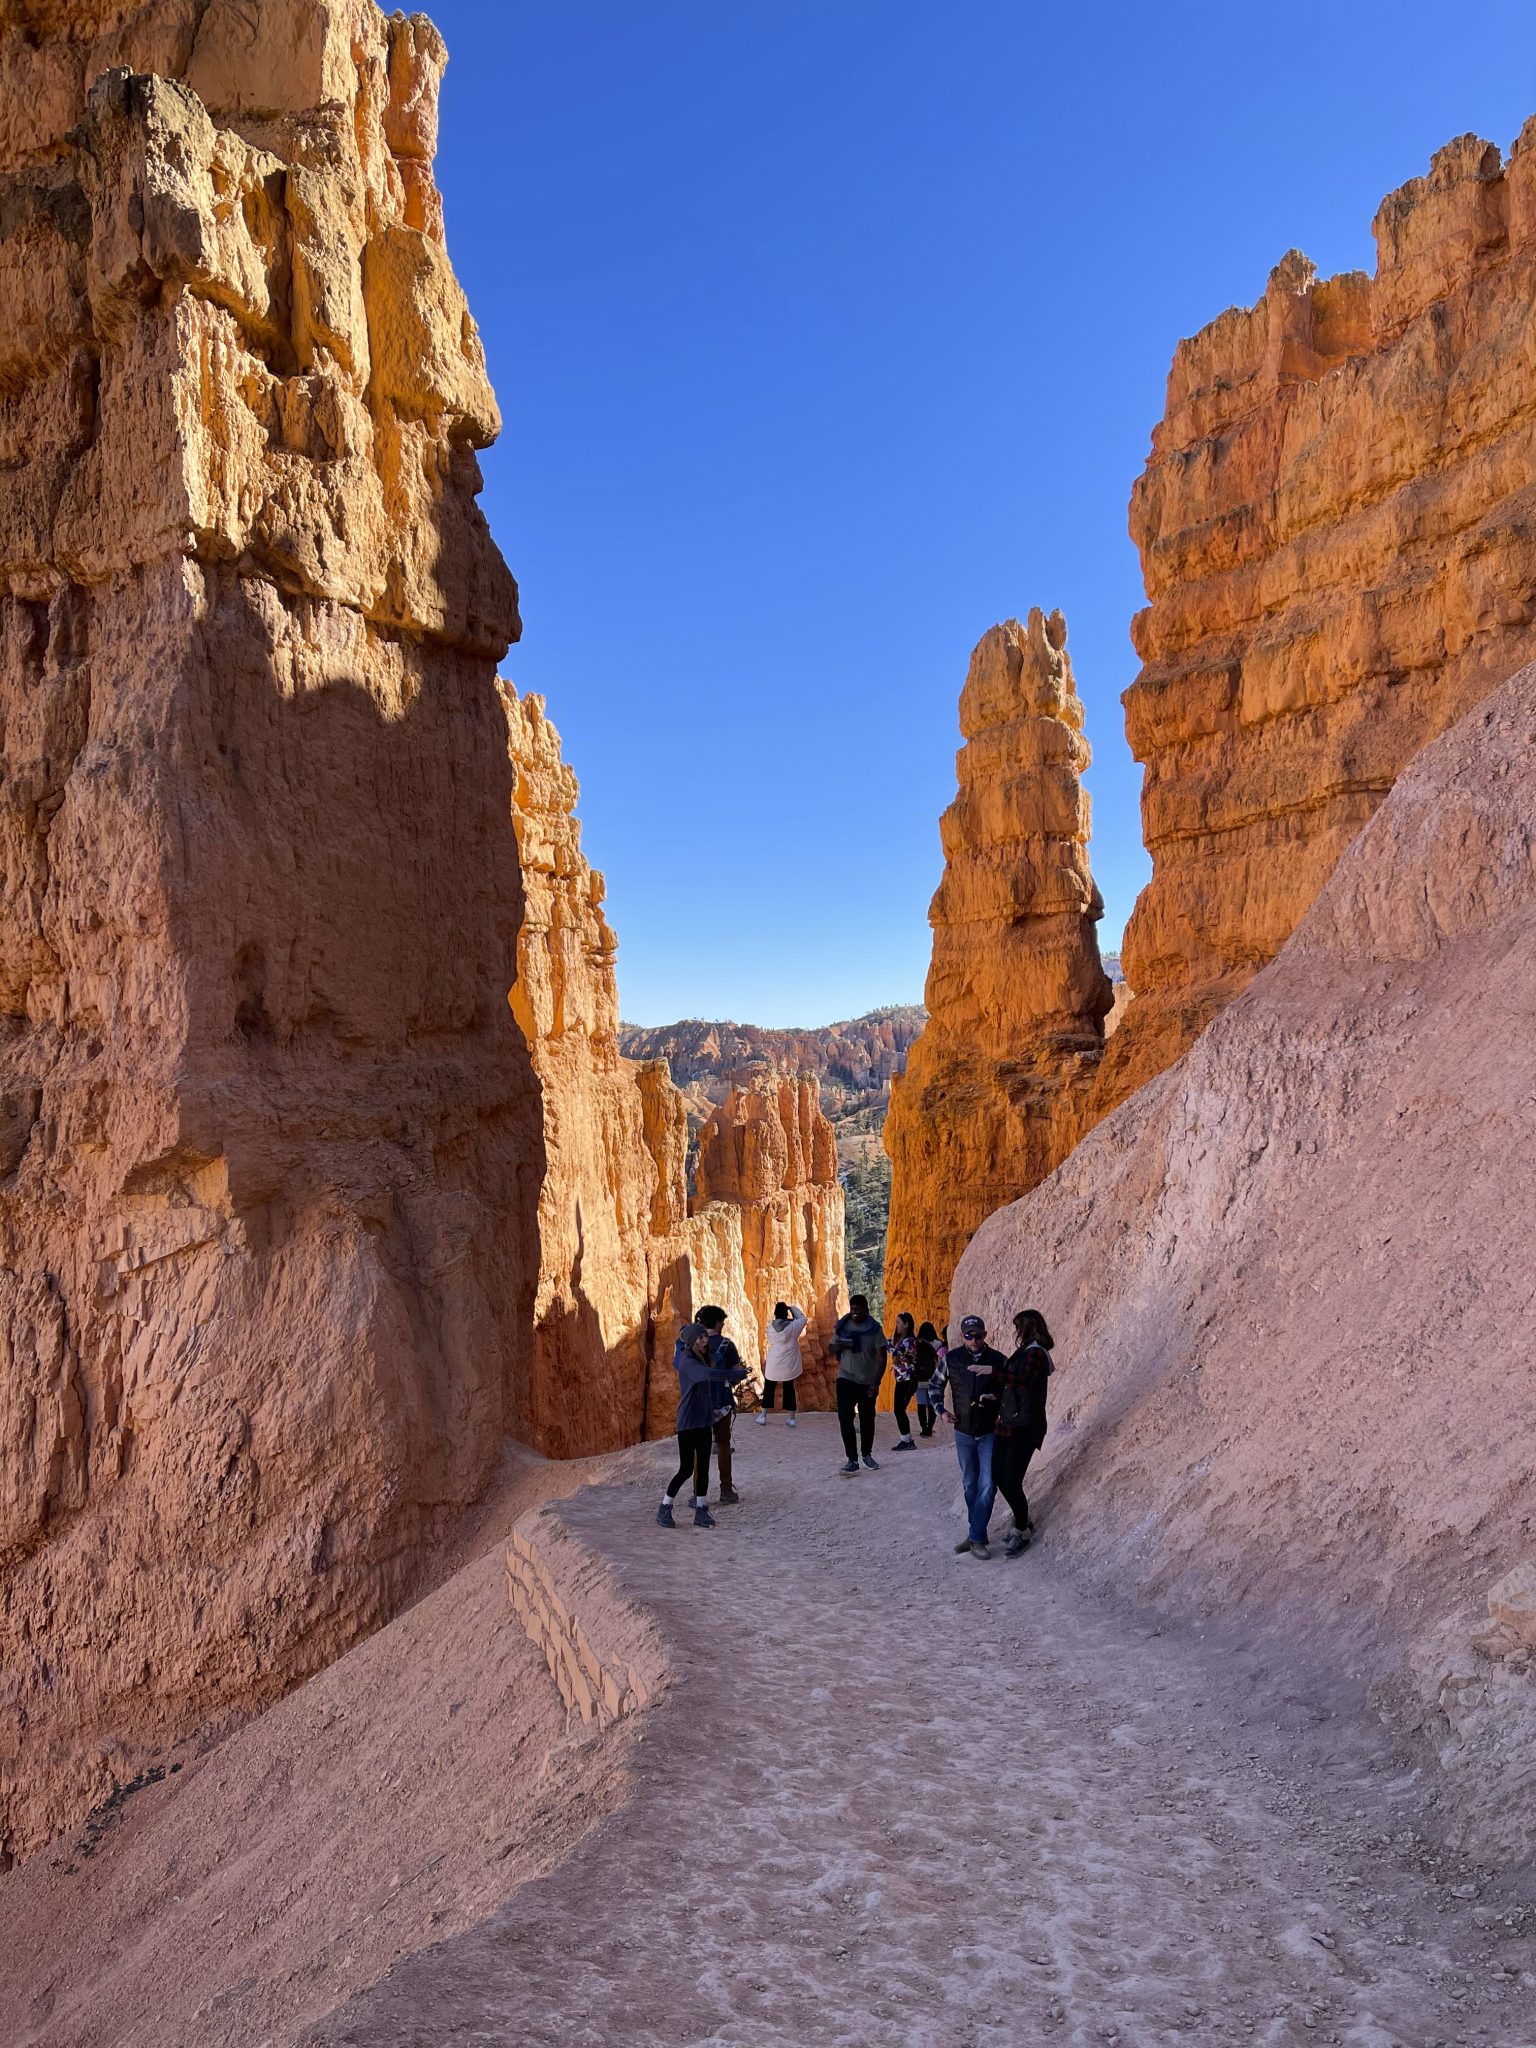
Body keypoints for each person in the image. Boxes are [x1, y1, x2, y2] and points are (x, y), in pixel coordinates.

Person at [929, 1313, 1007, 1557]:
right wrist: (941, 1411)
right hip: (963, 1431)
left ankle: (976, 1539)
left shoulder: (998, 1360)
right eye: (969, 1336)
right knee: (970, 1484)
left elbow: (1011, 1389)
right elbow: (935, 1385)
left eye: (978, 1335)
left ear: (985, 1335)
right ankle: (976, 1533)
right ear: (962, 1336)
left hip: (990, 1431)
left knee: (988, 1485)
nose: (974, 1340)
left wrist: (997, 1401)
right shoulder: (951, 1359)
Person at [658, 1318, 746, 1527]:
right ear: (691, 1342)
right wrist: (734, 1374)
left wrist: (733, 1364)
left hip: (704, 1421)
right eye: (700, 1338)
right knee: (686, 1469)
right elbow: (708, 1374)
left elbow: (715, 1361)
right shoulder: (687, 1361)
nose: (705, 1340)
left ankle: (701, 1509)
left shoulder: (702, 1358)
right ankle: (665, 1507)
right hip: (688, 1422)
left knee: (704, 1467)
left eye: (705, 1336)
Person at [994, 1308, 1055, 1556]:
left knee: (1011, 1479)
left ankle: (1022, 1529)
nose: (1017, 1332)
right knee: (998, 1475)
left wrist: (994, 1374)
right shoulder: (1025, 1351)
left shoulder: (1036, 1354)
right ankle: (1023, 1519)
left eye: (1019, 1326)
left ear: (1028, 1327)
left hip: (1026, 1425)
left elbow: (1024, 1381)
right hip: (1009, 1422)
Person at [828, 1294, 888, 1473]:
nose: (854, 1312)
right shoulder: (842, 1326)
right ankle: (852, 1460)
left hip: (868, 1381)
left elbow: (882, 1357)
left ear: (866, 1310)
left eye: (858, 1310)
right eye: (852, 1309)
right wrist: (838, 1346)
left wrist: (876, 1382)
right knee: (845, 1418)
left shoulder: (874, 1329)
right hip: (846, 1378)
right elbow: (831, 1348)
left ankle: (867, 1455)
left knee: (867, 1419)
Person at [694, 1303, 745, 1505]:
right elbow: (737, 1371)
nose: (723, 1325)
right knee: (723, 1444)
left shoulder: (693, 1345)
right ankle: (726, 1490)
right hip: (721, 1401)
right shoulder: (726, 1345)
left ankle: (698, 1494)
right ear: (717, 1323)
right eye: (722, 1322)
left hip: (699, 1402)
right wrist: (730, 1380)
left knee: (700, 1448)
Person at [757, 1300, 806, 1427]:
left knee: (769, 1388)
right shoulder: (793, 1326)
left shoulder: (770, 1327)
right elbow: (802, 1318)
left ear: (775, 1313)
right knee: (789, 1388)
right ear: (786, 1313)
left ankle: (763, 1416)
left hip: (773, 1362)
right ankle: (791, 1418)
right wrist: (792, 1308)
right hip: (788, 1364)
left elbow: (779, 1325)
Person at [888, 1311, 919, 1450]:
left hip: (908, 1380)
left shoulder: (909, 1341)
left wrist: (885, 1343)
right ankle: (907, 1439)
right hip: (902, 1379)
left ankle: (907, 1441)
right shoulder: (902, 1340)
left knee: (899, 1410)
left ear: (906, 1324)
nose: (896, 1325)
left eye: (898, 1322)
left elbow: (896, 1351)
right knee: (899, 1409)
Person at [913, 1321, 941, 1437]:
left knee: (921, 1404)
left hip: (919, 1380)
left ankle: (923, 1428)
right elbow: (940, 1362)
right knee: (931, 1404)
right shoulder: (938, 1344)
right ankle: (930, 1428)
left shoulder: (916, 1343)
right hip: (933, 1379)